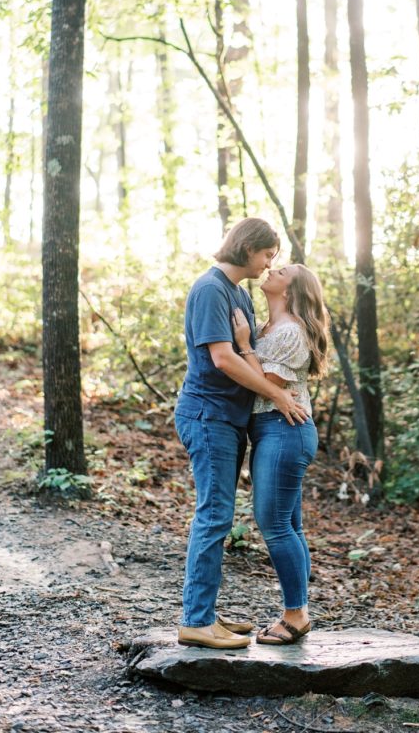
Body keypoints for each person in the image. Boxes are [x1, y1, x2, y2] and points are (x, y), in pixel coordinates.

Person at [174, 219, 309, 651]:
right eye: (268, 253)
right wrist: (279, 396)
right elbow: (223, 359)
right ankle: (196, 620)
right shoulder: (211, 288)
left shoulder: (238, 292)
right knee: (214, 515)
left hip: (230, 421)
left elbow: (247, 351)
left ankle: (206, 612)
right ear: (248, 247)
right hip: (208, 415)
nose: (271, 262)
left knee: (220, 515)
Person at [232, 262, 328, 645]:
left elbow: (265, 383)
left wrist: (241, 346)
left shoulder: (291, 332)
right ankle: (298, 610)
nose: (272, 270)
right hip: (273, 430)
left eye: (282, 271)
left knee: (272, 523)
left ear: (291, 291)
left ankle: (295, 615)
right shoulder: (268, 328)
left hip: (284, 430)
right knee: (290, 527)